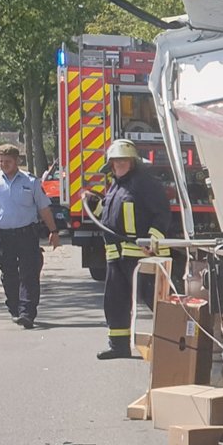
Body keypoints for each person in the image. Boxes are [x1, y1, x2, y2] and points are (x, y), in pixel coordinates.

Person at [93, 139, 174, 360]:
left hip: (141, 256)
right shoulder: (116, 185)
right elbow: (112, 214)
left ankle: (175, 344)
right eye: (115, 161)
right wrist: (96, 204)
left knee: (155, 301)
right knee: (115, 302)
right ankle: (118, 346)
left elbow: (162, 213)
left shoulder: (145, 183)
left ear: (132, 162)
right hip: (117, 256)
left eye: (123, 160)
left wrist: (152, 239)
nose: (119, 164)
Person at [0, 143, 58, 328]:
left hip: (26, 234)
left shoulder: (31, 181)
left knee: (29, 273)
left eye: (8, 161)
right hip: (2, 235)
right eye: (1, 161)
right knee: (9, 274)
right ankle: (15, 308)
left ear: (17, 161)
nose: (4, 164)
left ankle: (27, 313)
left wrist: (54, 231)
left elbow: (44, 208)